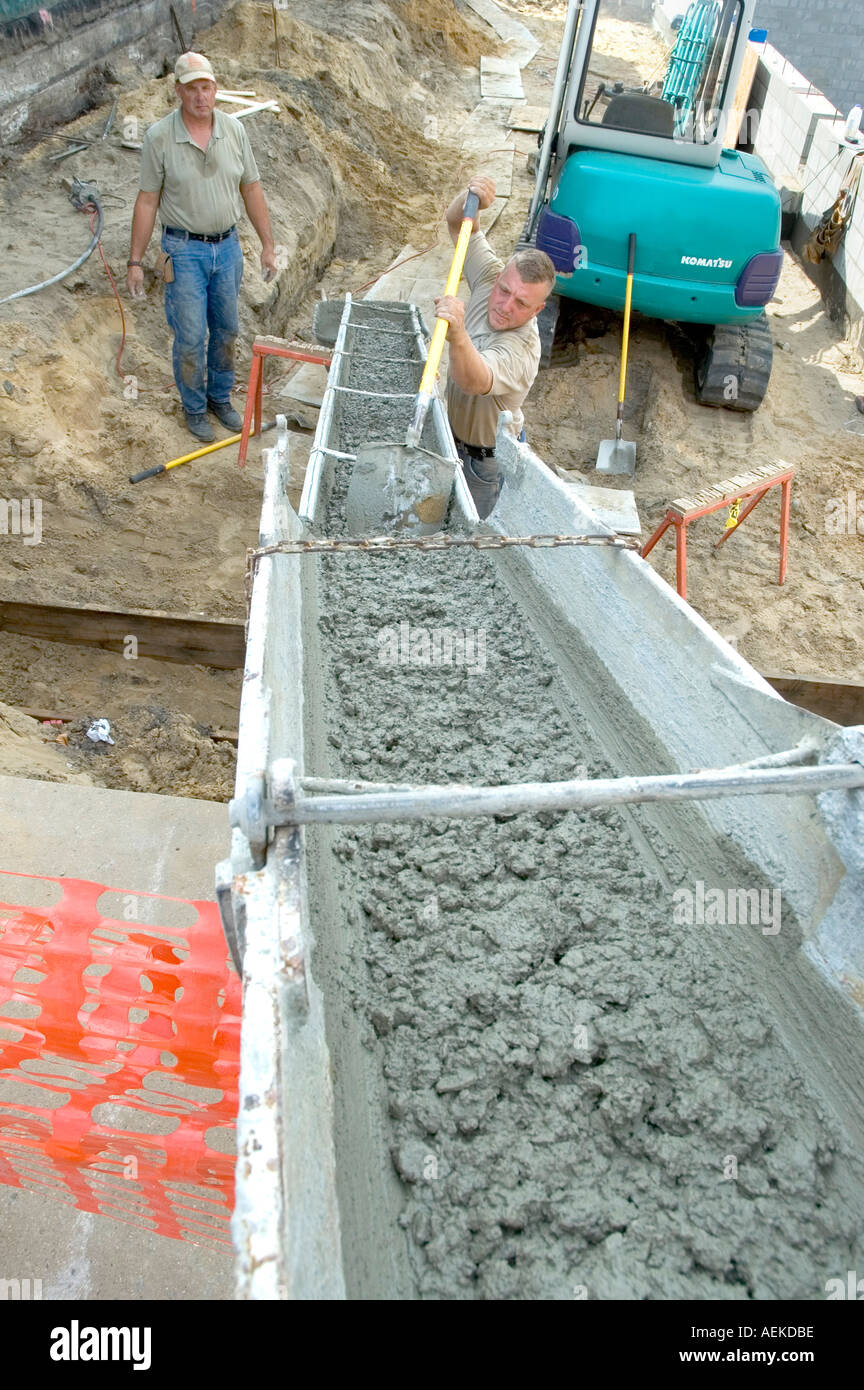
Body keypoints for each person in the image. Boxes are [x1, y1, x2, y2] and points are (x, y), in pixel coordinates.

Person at [126, 51, 278, 441]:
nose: (201, 97)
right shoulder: (159, 137)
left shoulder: (234, 130)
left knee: (227, 330)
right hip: (184, 251)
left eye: (206, 87)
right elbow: (146, 200)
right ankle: (194, 408)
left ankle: (220, 399)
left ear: (216, 89)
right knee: (191, 336)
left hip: (227, 249)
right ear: (178, 91)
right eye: (192, 89)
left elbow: (251, 188)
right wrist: (135, 261)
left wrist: (267, 244)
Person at [434, 176, 556, 517]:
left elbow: (472, 381)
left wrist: (458, 334)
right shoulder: (491, 276)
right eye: (504, 290)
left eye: (520, 303)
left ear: (537, 310)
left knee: (473, 540)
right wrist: (469, 197)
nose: (504, 305)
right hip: (451, 440)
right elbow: (457, 223)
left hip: (484, 464)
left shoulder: (522, 349)